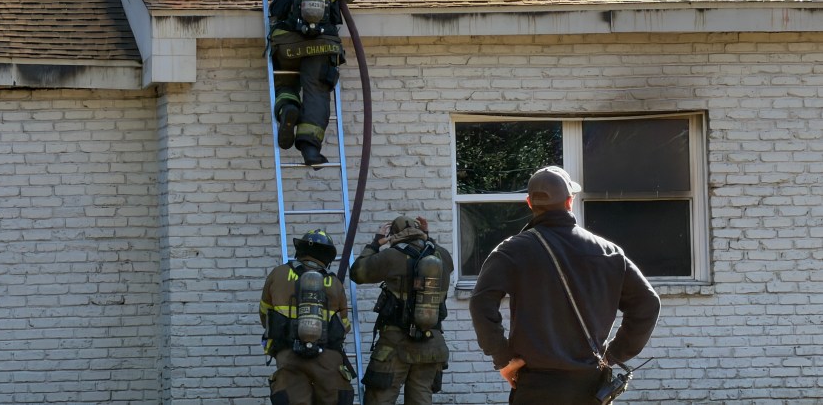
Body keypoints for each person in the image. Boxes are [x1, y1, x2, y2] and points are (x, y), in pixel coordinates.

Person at [468, 166, 661, 405]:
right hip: (591, 386)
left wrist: (503, 358)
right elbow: (648, 304)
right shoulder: (609, 252)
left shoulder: (512, 250)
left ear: (529, 203)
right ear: (570, 202)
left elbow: (481, 302)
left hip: (535, 385)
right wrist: (613, 354)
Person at [263, 0, 357, 167]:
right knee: (316, 92)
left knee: (286, 86)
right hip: (322, 46)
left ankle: (288, 110)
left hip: (287, 43)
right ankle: (310, 149)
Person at [349, 214, 454, 405]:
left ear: (394, 234)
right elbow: (445, 266)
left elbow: (357, 273)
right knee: (421, 398)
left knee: (379, 399)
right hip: (432, 345)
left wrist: (375, 243)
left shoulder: (391, 256)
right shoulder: (442, 255)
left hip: (396, 344)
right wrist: (427, 236)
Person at [259, 228, 355, 405]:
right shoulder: (334, 283)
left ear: (301, 250)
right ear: (327, 256)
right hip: (327, 360)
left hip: (288, 357)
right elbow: (344, 325)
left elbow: (265, 314)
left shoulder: (278, 274)